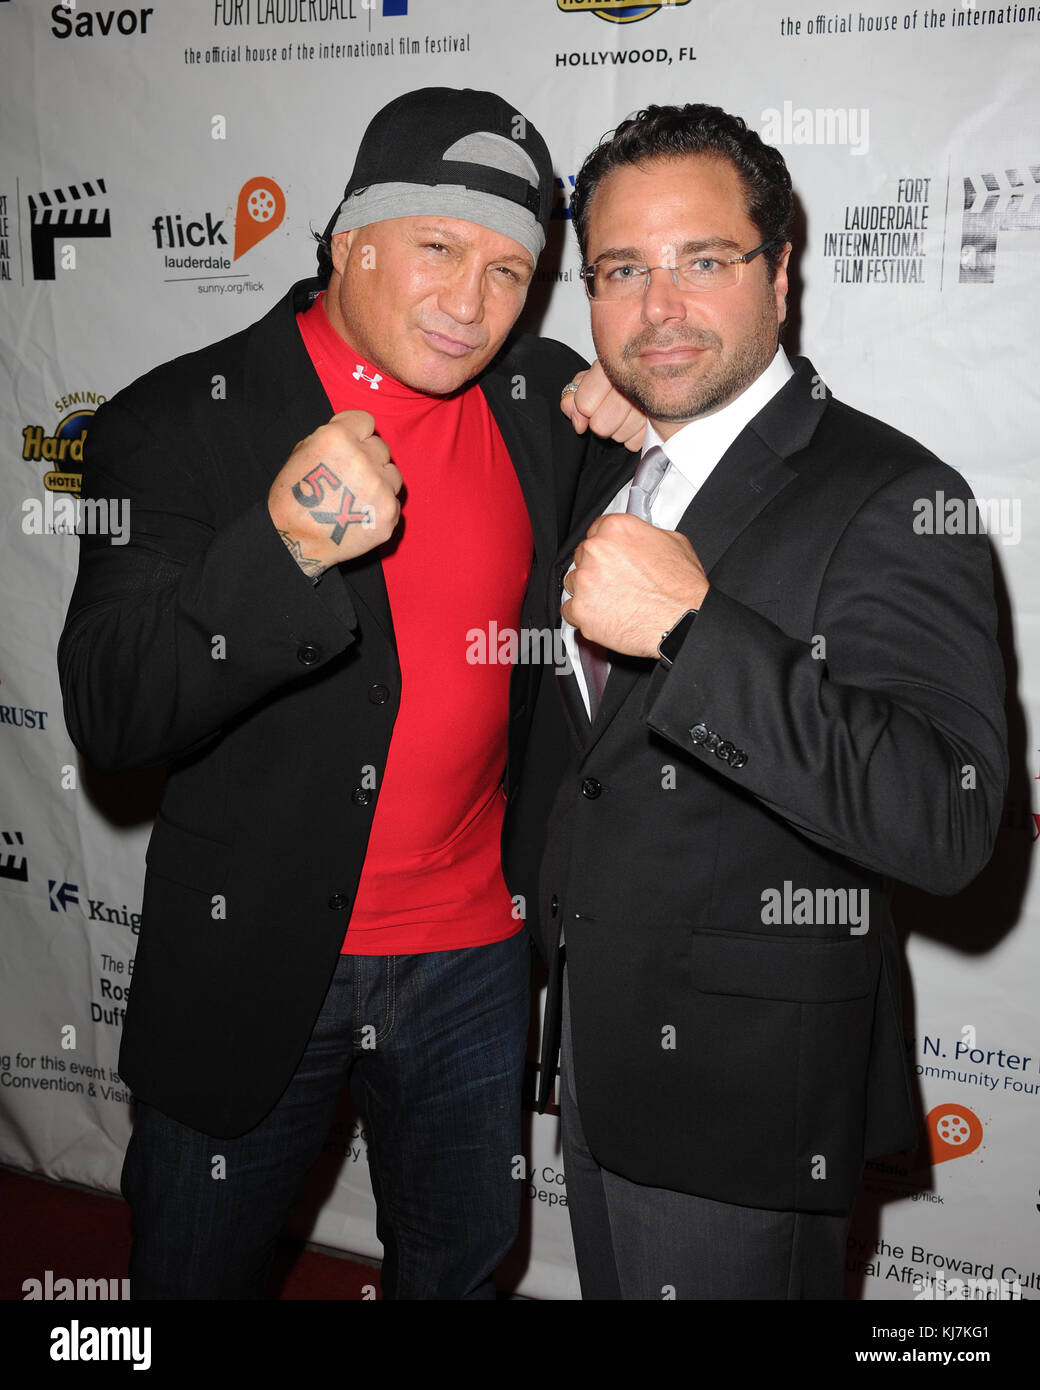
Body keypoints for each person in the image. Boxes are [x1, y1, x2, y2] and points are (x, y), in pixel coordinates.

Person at [57, 86, 640, 1301]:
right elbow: (112, 714)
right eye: (436, 247)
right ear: (345, 240)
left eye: (506, 271)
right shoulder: (177, 420)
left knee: (460, 1269)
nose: (468, 305)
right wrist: (282, 548)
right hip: (253, 951)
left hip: (475, 954)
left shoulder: (536, 397)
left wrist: (643, 405)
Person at [538, 103, 1008, 1300]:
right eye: (621, 271)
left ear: (780, 272)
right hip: (592, 1057)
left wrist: (695, 635)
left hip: (741, 1106)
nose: (660, 308)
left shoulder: (895, 493)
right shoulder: (616, 462)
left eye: (704, 261)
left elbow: (943, 819)